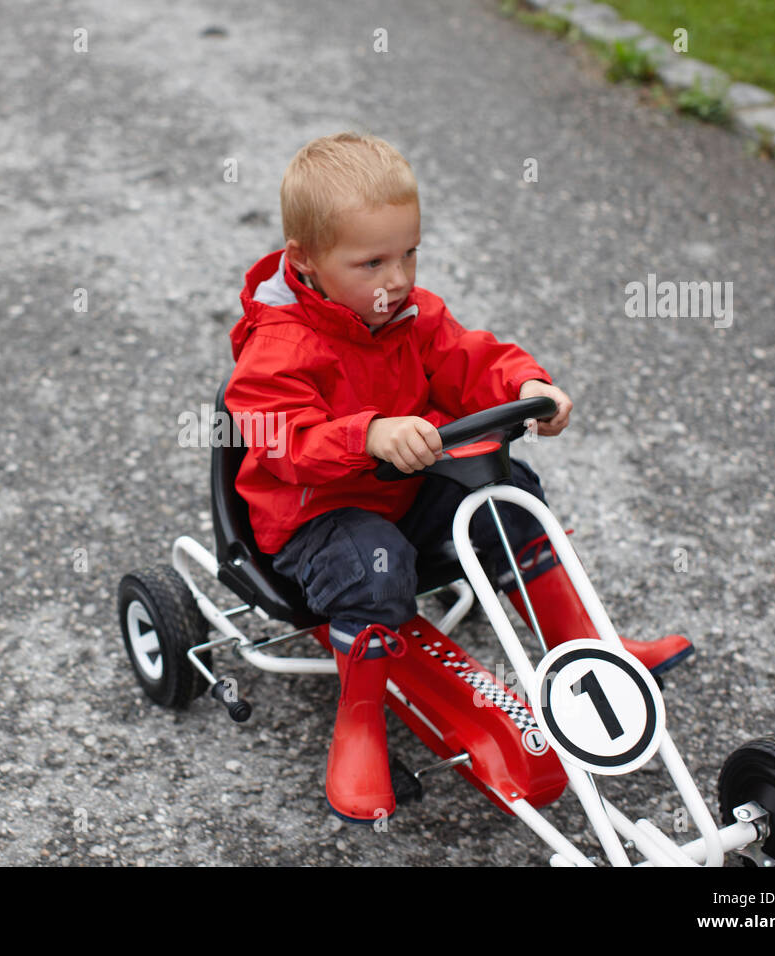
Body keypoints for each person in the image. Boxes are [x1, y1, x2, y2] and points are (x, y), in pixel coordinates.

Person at [223, 131, 692, 825]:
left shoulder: (413, 317)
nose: (398, 279)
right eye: (372, 262)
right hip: (316, 519)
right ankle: (358, 727)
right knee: (372, 570)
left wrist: (527, 382)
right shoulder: (280, 347)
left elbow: (469, 361)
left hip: (401, 494)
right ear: (307, 262)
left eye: (409, 253)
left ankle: (584, 650)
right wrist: (369, 431)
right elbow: (278, 441)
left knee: (511, 496)